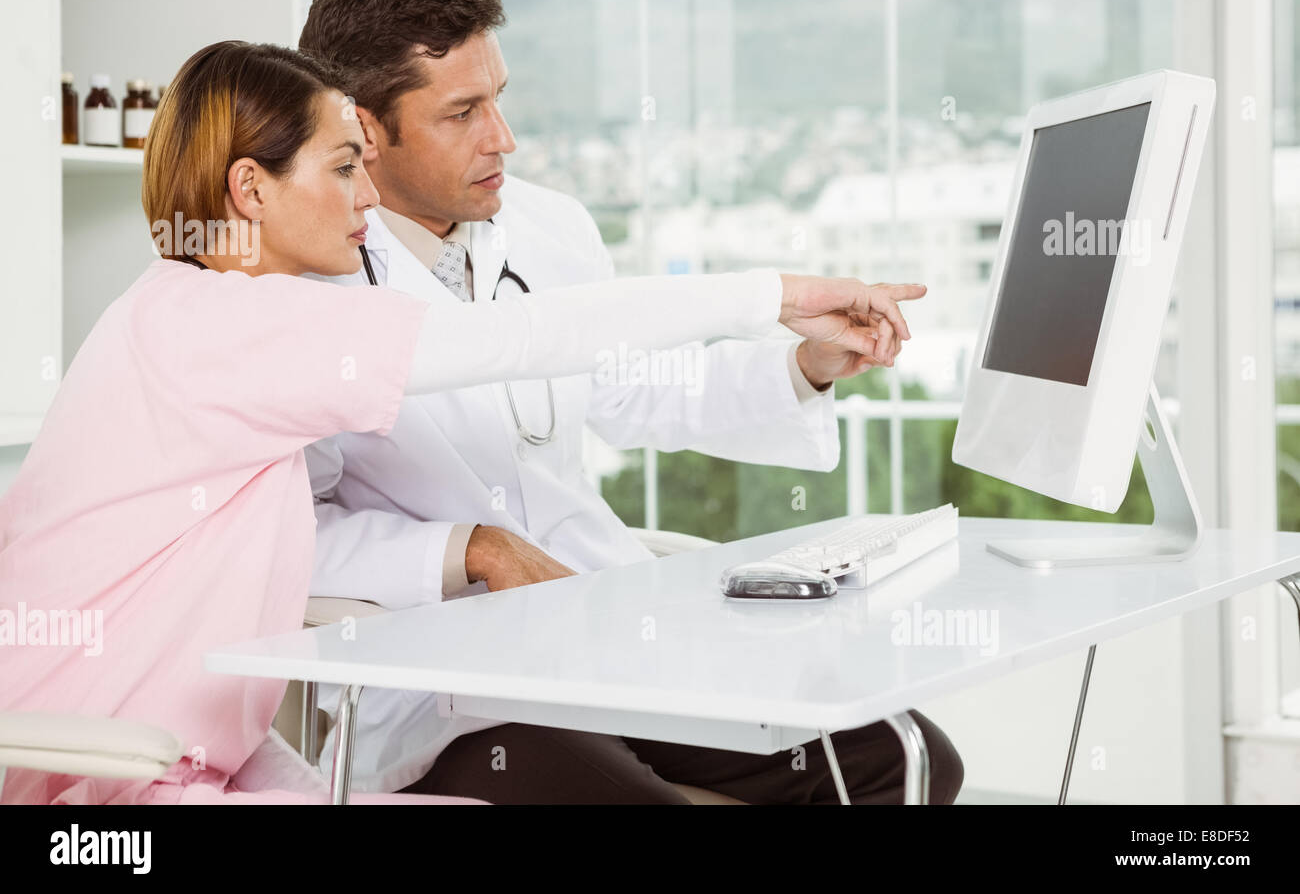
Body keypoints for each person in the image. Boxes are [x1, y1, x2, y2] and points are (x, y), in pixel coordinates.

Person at [0, 40, 910, 805]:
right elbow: (522, 338)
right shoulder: (219, 323)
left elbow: (214, 724)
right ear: (252, 189)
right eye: (345, 166)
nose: (367, 197)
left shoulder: (200, 309)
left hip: (173, 764)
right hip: (89, 789)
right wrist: (778, 292)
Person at [296, 0, 960, 804]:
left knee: (903, 760)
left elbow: (639, 387)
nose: (503, 138)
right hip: (452, 684)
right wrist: (466, 551)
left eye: (498, 97)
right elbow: (292, 538)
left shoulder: (546, 226)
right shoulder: (310, 281)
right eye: (463, 113)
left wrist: (802, 366)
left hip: (605, 628)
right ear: (363, 129)